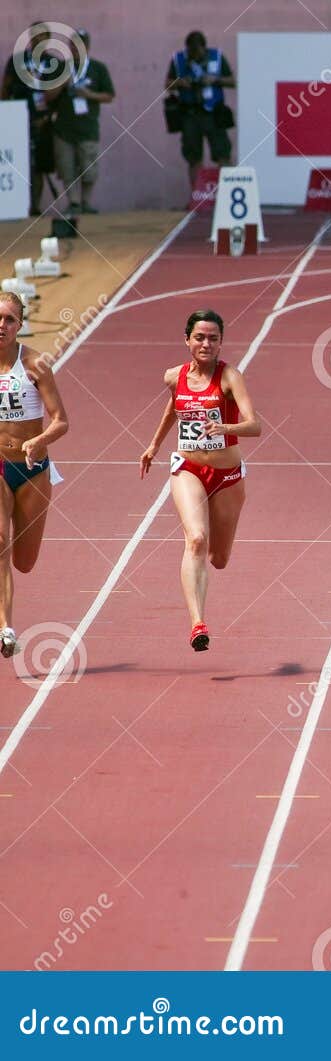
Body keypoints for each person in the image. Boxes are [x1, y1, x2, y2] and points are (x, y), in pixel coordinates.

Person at [138, 310, 260, 652]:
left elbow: (255, 425)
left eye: (213, 338)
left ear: (221, 342)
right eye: (200, 337)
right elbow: (173, 409)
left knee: (219, 557)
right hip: (188, 468)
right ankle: (197, 623)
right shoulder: (173, 376)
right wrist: (153, 445)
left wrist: (227, 428)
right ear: (188, 340)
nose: (206, 343)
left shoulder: (230, 377)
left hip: (227, 475)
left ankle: (209, 571)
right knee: (195, 539)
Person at [0, 292, 68, 660]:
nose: (1, 325)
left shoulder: (36, 365)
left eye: (9, 319)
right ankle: (5, 628)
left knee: (24, 561)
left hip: (32, 469)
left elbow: (62, 420)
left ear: (19, 325)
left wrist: (39, 440)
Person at [47, 29, 114, 215]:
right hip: (63, 128)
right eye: (74, 44)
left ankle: (86, 202)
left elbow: (109, 96)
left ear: (88, 46)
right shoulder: (59, 67)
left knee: (89, 167)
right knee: (66, 167)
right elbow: (47, 97)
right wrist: (61, 83)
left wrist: (89, 94)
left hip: (88, 127)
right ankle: (74, 202)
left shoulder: (98, 68)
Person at [3, 21, 62, 216]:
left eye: (42, 36)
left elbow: (59, 97)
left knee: (40, 166)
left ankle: (35, 206)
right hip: (17, 122)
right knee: (19, 165)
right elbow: (5, 88)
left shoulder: (53, 63)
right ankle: (18, 205)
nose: (38, 40)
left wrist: (47, 118)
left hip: (44, 122)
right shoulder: (17, 60)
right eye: (34, 35)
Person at [166, 31, 235, 188]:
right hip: (190, 114)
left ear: (204, 48)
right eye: (192, 52)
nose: (195, 56)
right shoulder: (178, 60)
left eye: (198, 52)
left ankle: (228, 193)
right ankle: (196, 195)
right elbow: (167, 84)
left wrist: (215, 80)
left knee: (223, 154)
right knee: (193, 157)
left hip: (213, 112)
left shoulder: (216, 57)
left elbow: (232, 81)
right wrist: (181, 82)